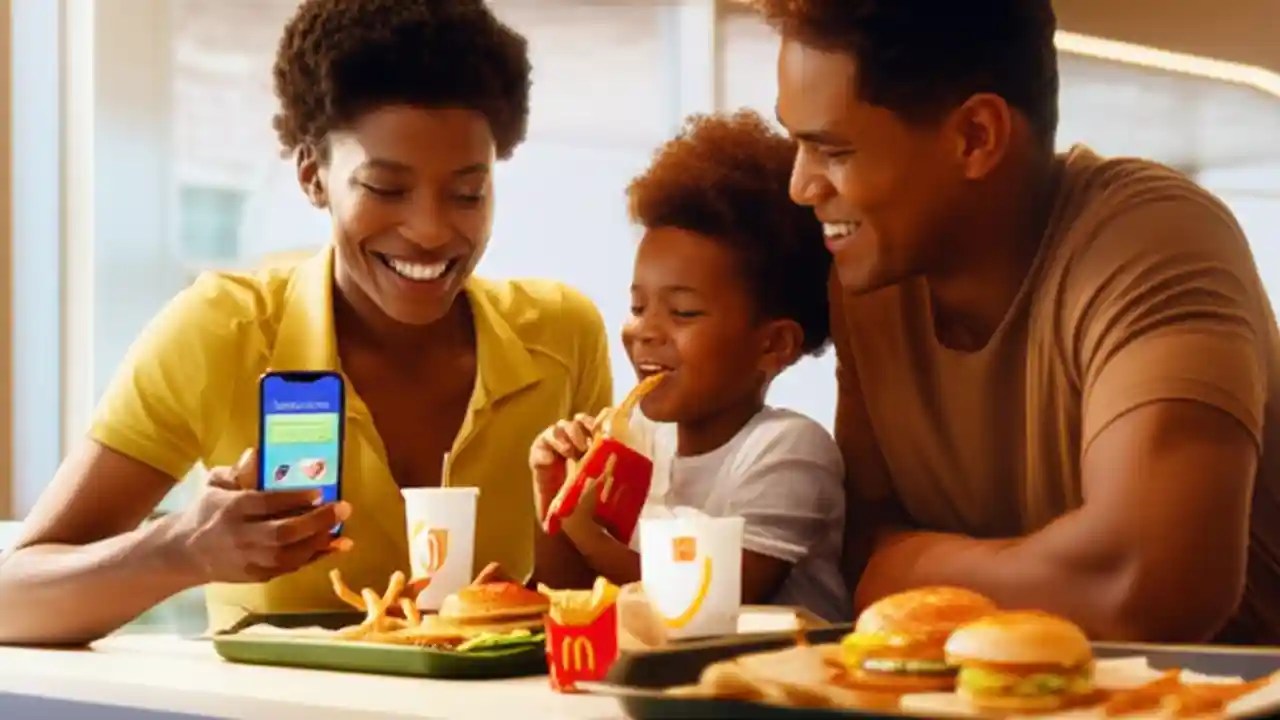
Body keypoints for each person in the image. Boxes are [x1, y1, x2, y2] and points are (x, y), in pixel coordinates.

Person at [0, 0, 611, 645]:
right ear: (313, 176)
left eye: (467, 193)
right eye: (384, 188)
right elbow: (11, 600)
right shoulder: (223, 330)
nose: (431, 231)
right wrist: (183, 550)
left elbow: (594, 601)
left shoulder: (560, 336)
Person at [757, 0, 1280, 642]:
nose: (800, 185)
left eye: (831, 150)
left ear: (976, 136)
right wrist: (899, 569)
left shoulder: (1152, 240)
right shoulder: (869, 284)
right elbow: (863, 553)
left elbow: (1148, 583)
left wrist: (910, 565)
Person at [530, 111, 850, 622]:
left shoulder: (789, 451)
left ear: (773, 345)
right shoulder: (637, 438)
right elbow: (566, 600)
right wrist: (555, 502)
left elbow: (707, 605)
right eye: (638, 307)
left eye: (683, 312)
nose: (645, 331)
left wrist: (587, 535)